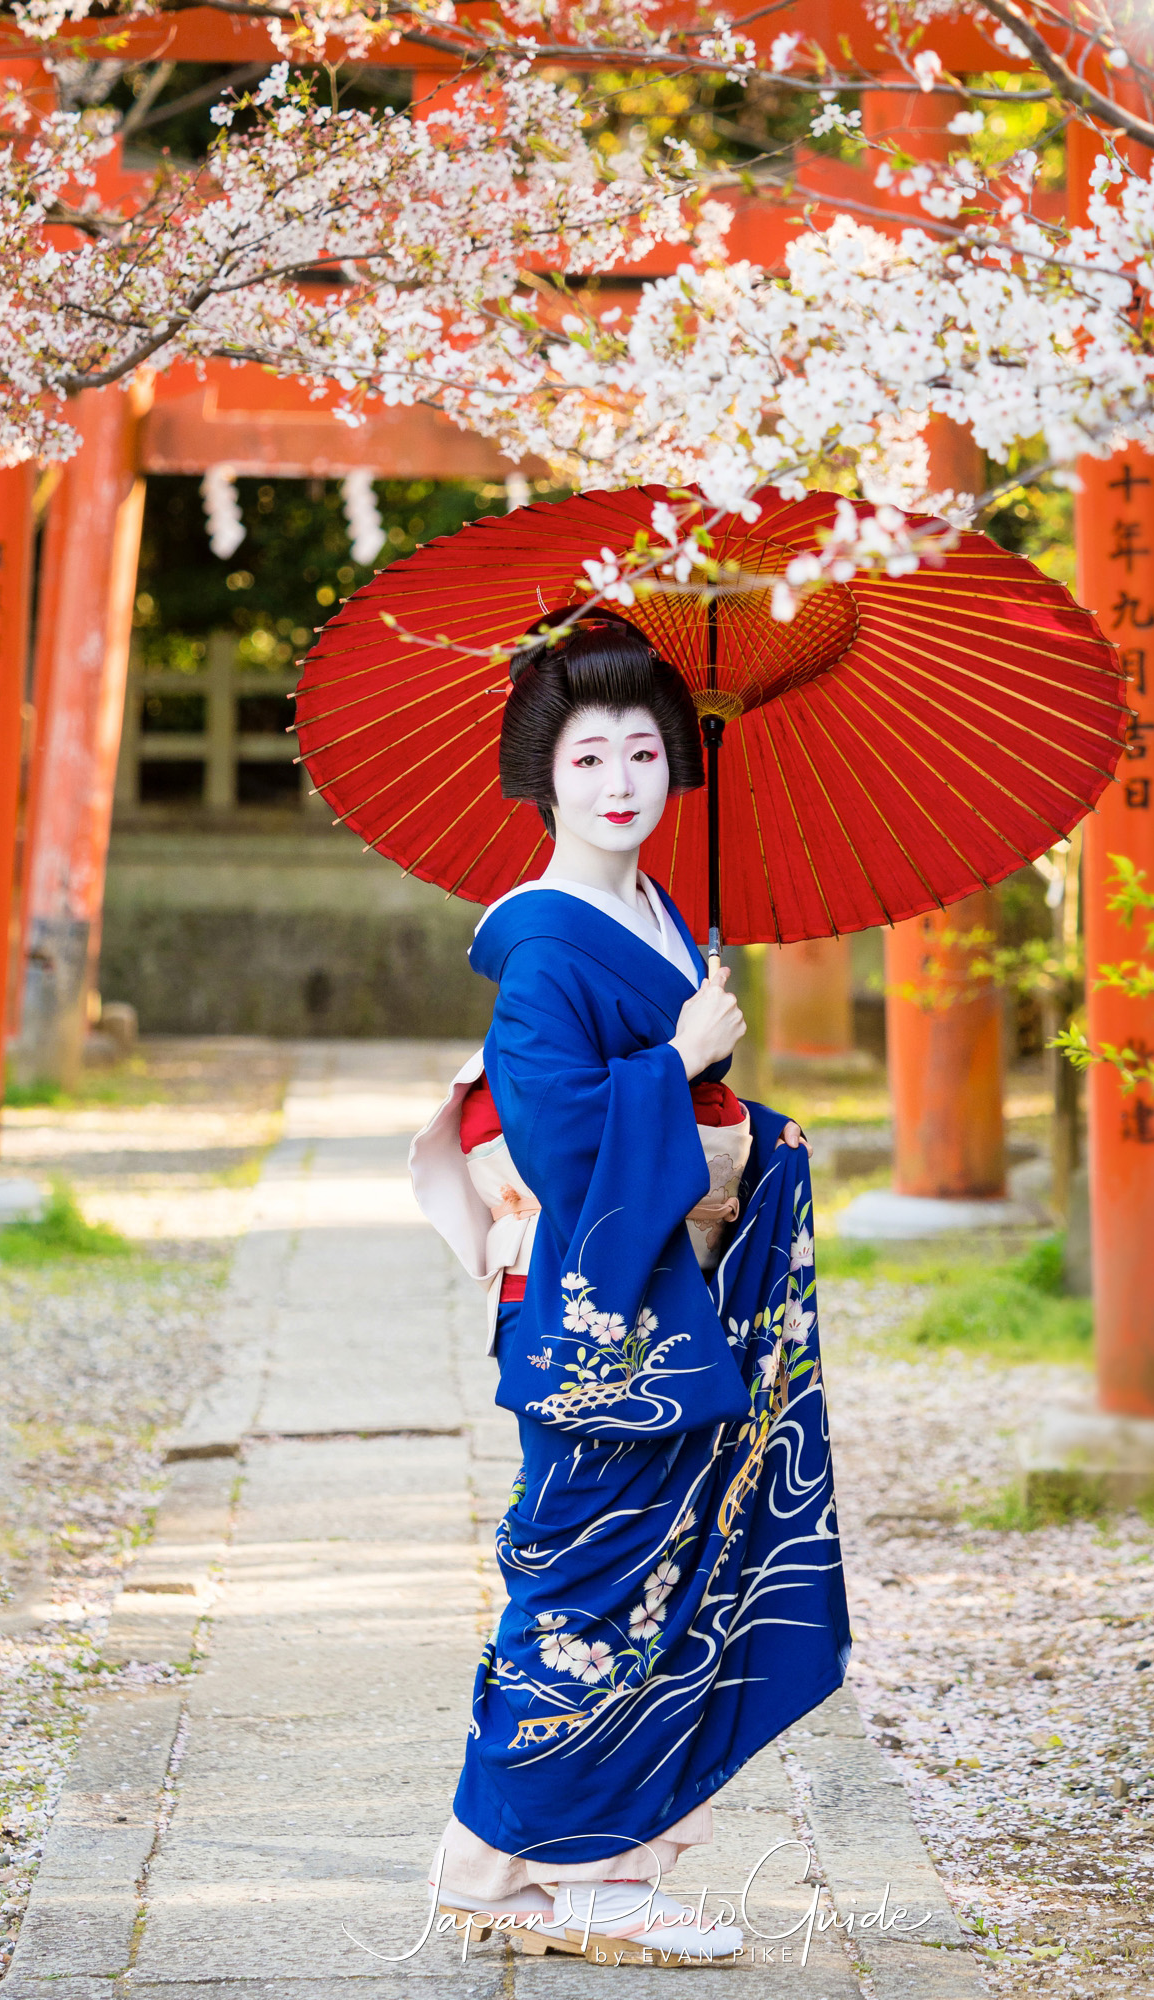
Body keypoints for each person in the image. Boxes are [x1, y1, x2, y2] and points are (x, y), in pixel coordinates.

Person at [409, 612, 850, 1966]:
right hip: (605, 1316)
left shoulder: (654, 912)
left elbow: (670, 1112)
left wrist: (717, 1089)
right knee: (593, 1584)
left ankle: (522, 1863)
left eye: (646, 751)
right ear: (542, 775)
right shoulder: (545, 946)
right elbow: (552, 1134)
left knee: (642, 1579)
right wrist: (679, 1066)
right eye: (589, 753)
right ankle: (578, 1875)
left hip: (668, 1292)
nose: (620, 781)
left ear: (676, 768)